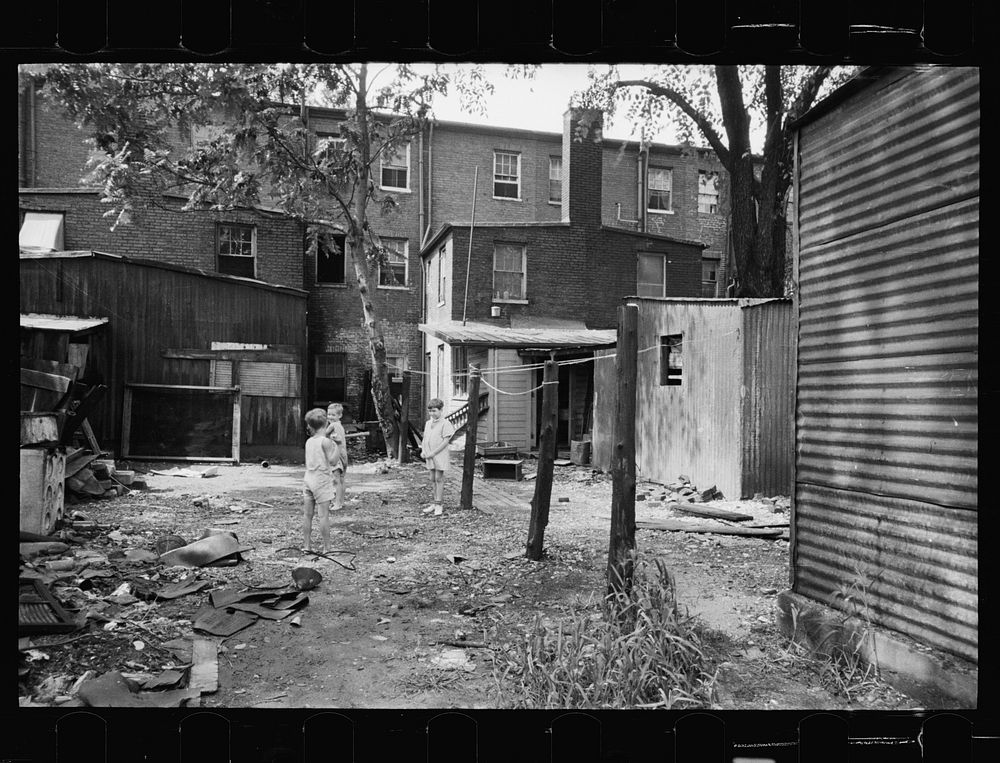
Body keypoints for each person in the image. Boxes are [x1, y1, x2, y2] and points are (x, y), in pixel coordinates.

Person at [302, 408, 342, 553]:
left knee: (307, 515)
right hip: (321, 480)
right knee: (323, 515)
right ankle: (327, 547)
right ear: (326, 424)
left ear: (311, 426)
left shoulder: (309, 441)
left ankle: (307, 546)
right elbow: (332, 461)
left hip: (308, 479)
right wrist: (338, 445)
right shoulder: (326, 442)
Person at [420, 398, 455, 516]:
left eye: (434, 411)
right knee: (432, 478)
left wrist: (434, 453)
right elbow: (425, 438)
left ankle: (439, 504)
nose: (432, 414)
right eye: (430, 411)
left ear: (441, 410)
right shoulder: (428, 423)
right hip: (429, 455)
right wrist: (423, 450)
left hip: (439, 454)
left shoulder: (445, 423)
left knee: (439, 478)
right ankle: (434, 502)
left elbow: (445, 441)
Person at [324, 402, 349, 511]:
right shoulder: (340, 426)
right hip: (344, 455)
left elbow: (324, 434)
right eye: (328, 415)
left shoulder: (333, 425)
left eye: (333, 415)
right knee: (342, 479)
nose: (330, 417)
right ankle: (341, 502)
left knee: (336, 480)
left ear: (339, 416)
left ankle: (337, 503)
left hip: (337, 455)